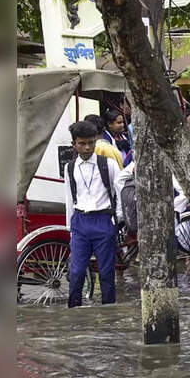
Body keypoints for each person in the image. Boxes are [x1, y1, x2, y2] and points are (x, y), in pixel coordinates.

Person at [65, 121, 121, 308]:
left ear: (96, 141)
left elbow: (119, 192)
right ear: (74, 144)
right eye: (82, 143)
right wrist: (70, 229)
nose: (87, 147)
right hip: (80, 221)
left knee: (106, 272)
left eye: (90, 142)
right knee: (76, 271)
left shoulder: (108, 165)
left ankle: (109, 312)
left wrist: (117, 219)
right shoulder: (70, 168)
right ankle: (74, 310)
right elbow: (69, 198)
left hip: (103, 220)